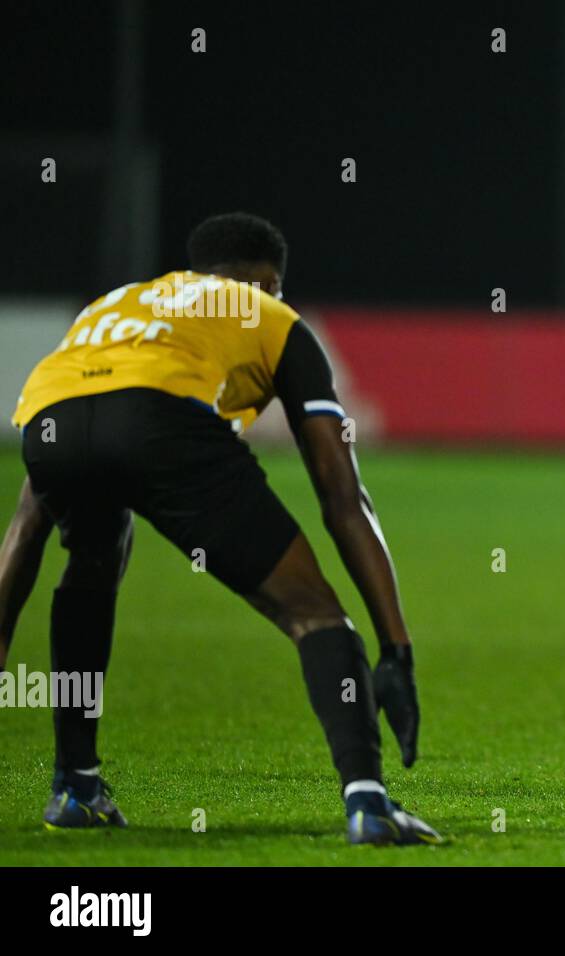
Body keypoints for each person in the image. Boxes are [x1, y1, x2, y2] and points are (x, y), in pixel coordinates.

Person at [3, 211, 441, 844]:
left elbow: (23, 532)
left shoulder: (114, 306)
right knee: (314, 614)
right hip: (160, 422)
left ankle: (75, 786)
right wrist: (394, 648)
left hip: (51, 420)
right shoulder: (271, 316)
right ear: (269, 285)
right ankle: (369, 803)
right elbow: (343, 498)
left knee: (93, 556)